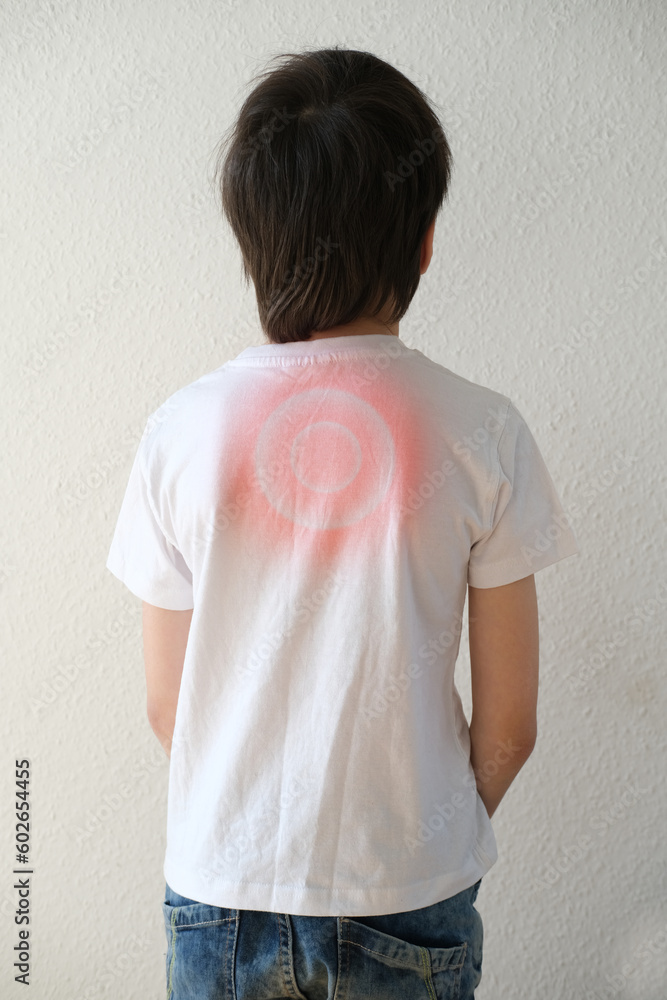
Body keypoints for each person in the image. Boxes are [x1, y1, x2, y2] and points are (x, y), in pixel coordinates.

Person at [106, 46, 580, 1000]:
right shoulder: (482, 430)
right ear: (425, 240)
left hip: (217, 892)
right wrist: (423, 837)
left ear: (253, 240)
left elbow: (170, 707)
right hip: (409, 893)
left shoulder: (180, 431)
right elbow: (510, 726)